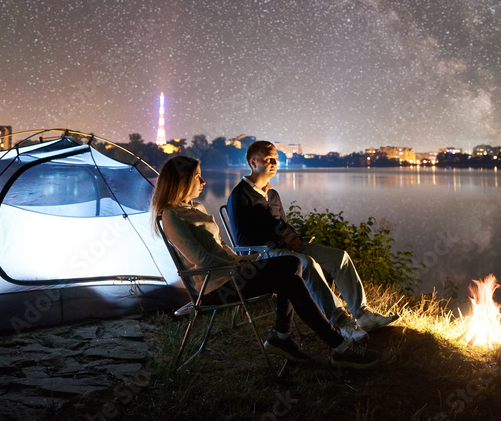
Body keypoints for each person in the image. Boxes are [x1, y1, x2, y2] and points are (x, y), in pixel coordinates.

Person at [153, 155, 379, 369]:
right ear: (181, 182)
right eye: (197, 177)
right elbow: (201, 259)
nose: (203, 181)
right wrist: (238, 266)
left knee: (292, 264)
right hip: (214, 287)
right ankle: (334, 344)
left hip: (231, 274)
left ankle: (285, 336)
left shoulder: (196, 208)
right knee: (289, 277)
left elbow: (221, 246)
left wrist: (244, 260)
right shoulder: (172, 215)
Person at [227, 141, 399, 341]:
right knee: (307, 264)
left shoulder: (272, 193)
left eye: (275, 159)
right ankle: (341, 322)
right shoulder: (240, 196)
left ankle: (363, 315)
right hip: (264, 255)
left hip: (287, 247)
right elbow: (242, 240)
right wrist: (281, 241)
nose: (274, 163)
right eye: (268, 159)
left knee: (340, 258)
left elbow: (283, 224)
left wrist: (293, 236)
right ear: (253, 162)